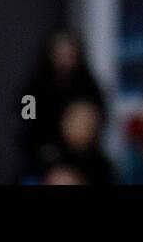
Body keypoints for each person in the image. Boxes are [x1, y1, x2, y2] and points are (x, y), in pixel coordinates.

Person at [17, 29, 106, 180]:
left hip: (83, 155)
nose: (65, 60)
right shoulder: (34, 88)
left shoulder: (87, 85)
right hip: (44, 155)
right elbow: (24, 122)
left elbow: (99, 116)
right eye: (60, 54)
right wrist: (42, 148)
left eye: (69, 54)